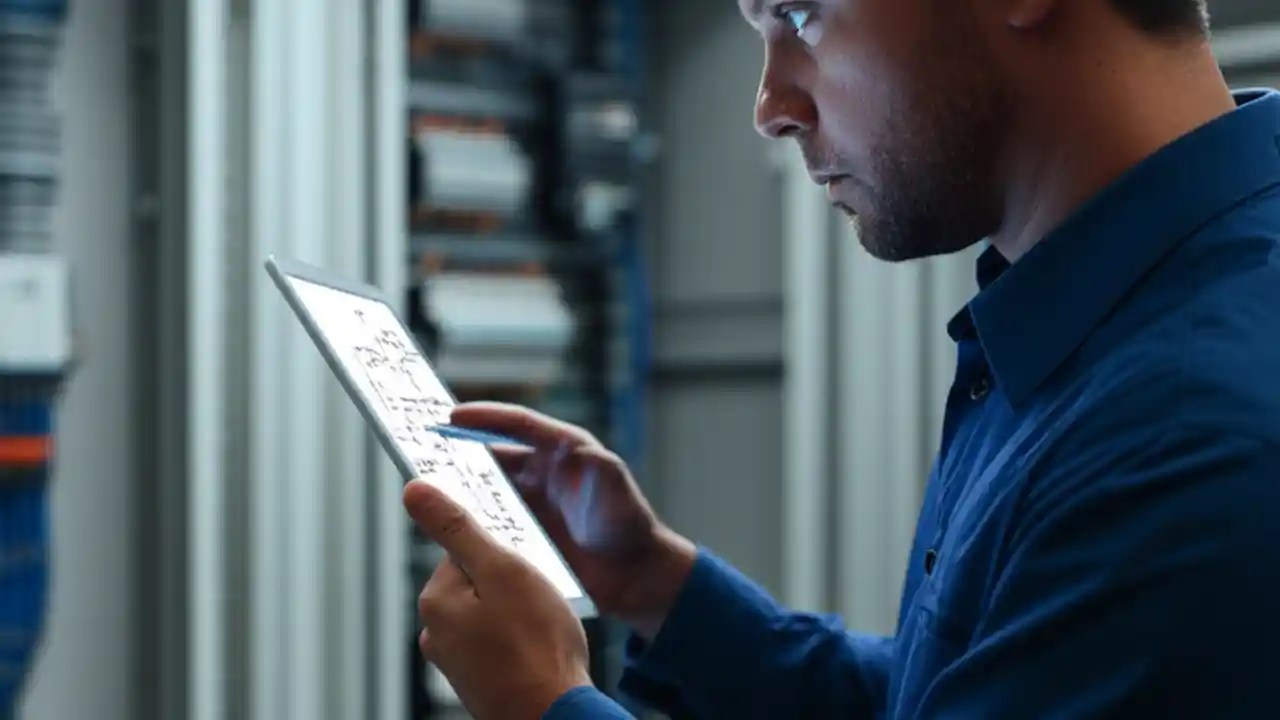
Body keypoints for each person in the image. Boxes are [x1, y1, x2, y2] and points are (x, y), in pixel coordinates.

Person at [402, 0, 1280, 717]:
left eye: (801, 15)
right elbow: (968, 692)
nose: (771, 105)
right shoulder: (1108, 318)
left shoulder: (1187, 427)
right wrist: (656, 583)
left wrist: (544, 703)